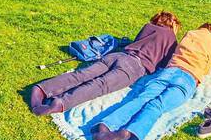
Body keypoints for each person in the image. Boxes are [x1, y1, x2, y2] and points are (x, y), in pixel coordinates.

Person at [90, 23, 211, 140]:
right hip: (188, 79)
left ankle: (105, 126)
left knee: (141, 99)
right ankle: (125, 134)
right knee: (157, 105)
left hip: (169, 71)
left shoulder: (191, 33)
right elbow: (207, 67)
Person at [29, 11, 181, 115]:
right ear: (173, 25)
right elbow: (166, 64)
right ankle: (61, 103)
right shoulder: (172, 40)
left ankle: (41, 89)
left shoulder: (148, 27)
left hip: (118, 55)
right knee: (99, 86)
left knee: (82, 74)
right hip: (135, 67)